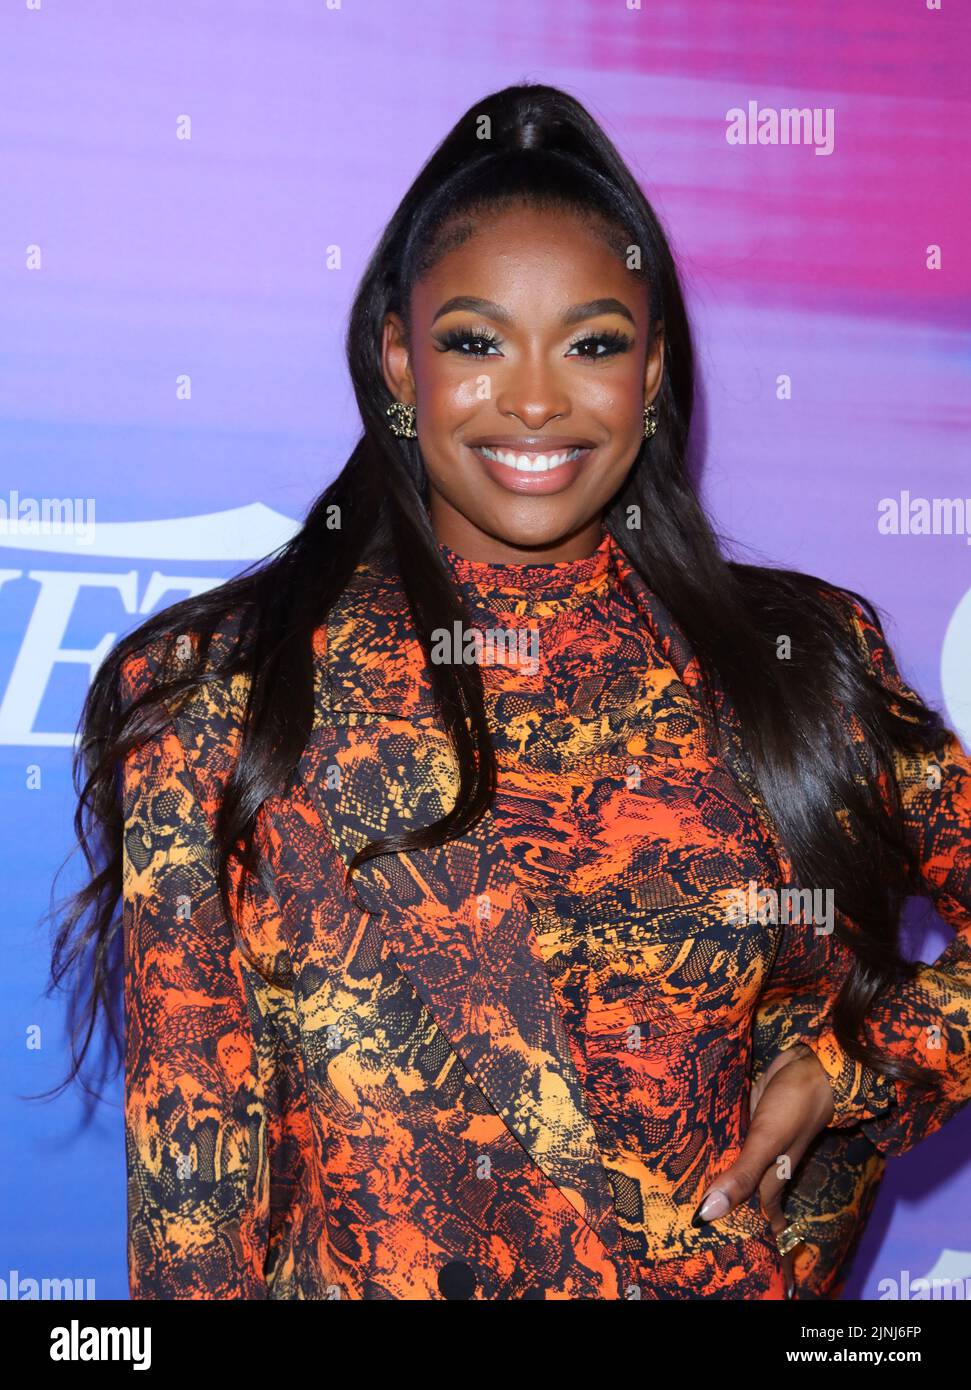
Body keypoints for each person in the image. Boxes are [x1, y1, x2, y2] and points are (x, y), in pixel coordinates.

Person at [50, 83, 971, 1300]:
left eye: (592, 343)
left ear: (650, 373)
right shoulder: (220, 698)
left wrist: (849, 1069)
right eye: (474, 341)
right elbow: (192, 1207)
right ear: (397, 360)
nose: (535, 400)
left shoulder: (799, 665)